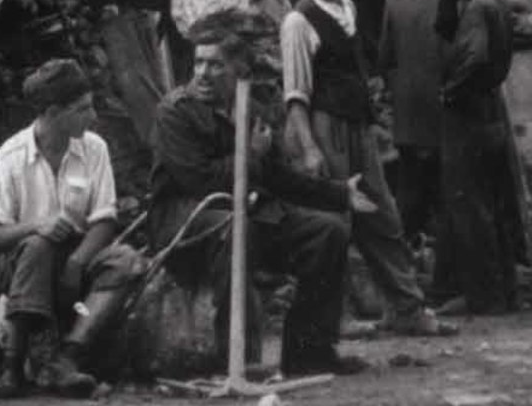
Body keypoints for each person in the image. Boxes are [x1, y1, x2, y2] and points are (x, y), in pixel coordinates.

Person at [145, 34, 367, 379]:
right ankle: (240, 361)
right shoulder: (175, 112)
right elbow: (198, 181)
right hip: (185, 219)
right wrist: (250, 155)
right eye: (199, 62)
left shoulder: (250, 111)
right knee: (236, 229)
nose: (202, 73)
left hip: (246, 213)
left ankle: (310, 353)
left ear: (239, 71)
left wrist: (339, 194)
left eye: (215, 64)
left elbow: (278, 176)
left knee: (327, 232)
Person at [282, 0, 449, 338]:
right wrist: (309, 149)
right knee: (333, 220)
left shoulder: (349, 8)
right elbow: (295, 95)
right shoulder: (298, 21)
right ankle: (333, 317)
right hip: (323, 126)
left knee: (382, 214)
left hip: (357, 125)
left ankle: (406, 308)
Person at [0, 61, 148, 396]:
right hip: (21, 269)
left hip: (77, 261)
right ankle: (12, 367)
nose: (93, 117)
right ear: (53, 113)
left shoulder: (94, 148)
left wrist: (76, 262)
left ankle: (67, 358)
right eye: (82, 109)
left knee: (126, 261)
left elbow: (104, 219)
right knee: (38, 246)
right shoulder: (10, 157)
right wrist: (36, 226)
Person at [431, 0, 519, 316]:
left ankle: (485, 297)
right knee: (492, 206)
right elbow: (447, 28)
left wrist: (450, 93)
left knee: (471, 208)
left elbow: (476, 57)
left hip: (470, 114)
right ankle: (504, 293)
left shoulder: (479, 7)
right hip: (489, 113)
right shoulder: (490, 1)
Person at [376, 0, 445, 251]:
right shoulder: (462, 4)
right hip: (447, 116)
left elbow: (384, 59)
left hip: (408, 115)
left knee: (410, 187)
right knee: (447, 194)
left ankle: (404, 254)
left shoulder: (395, 2)